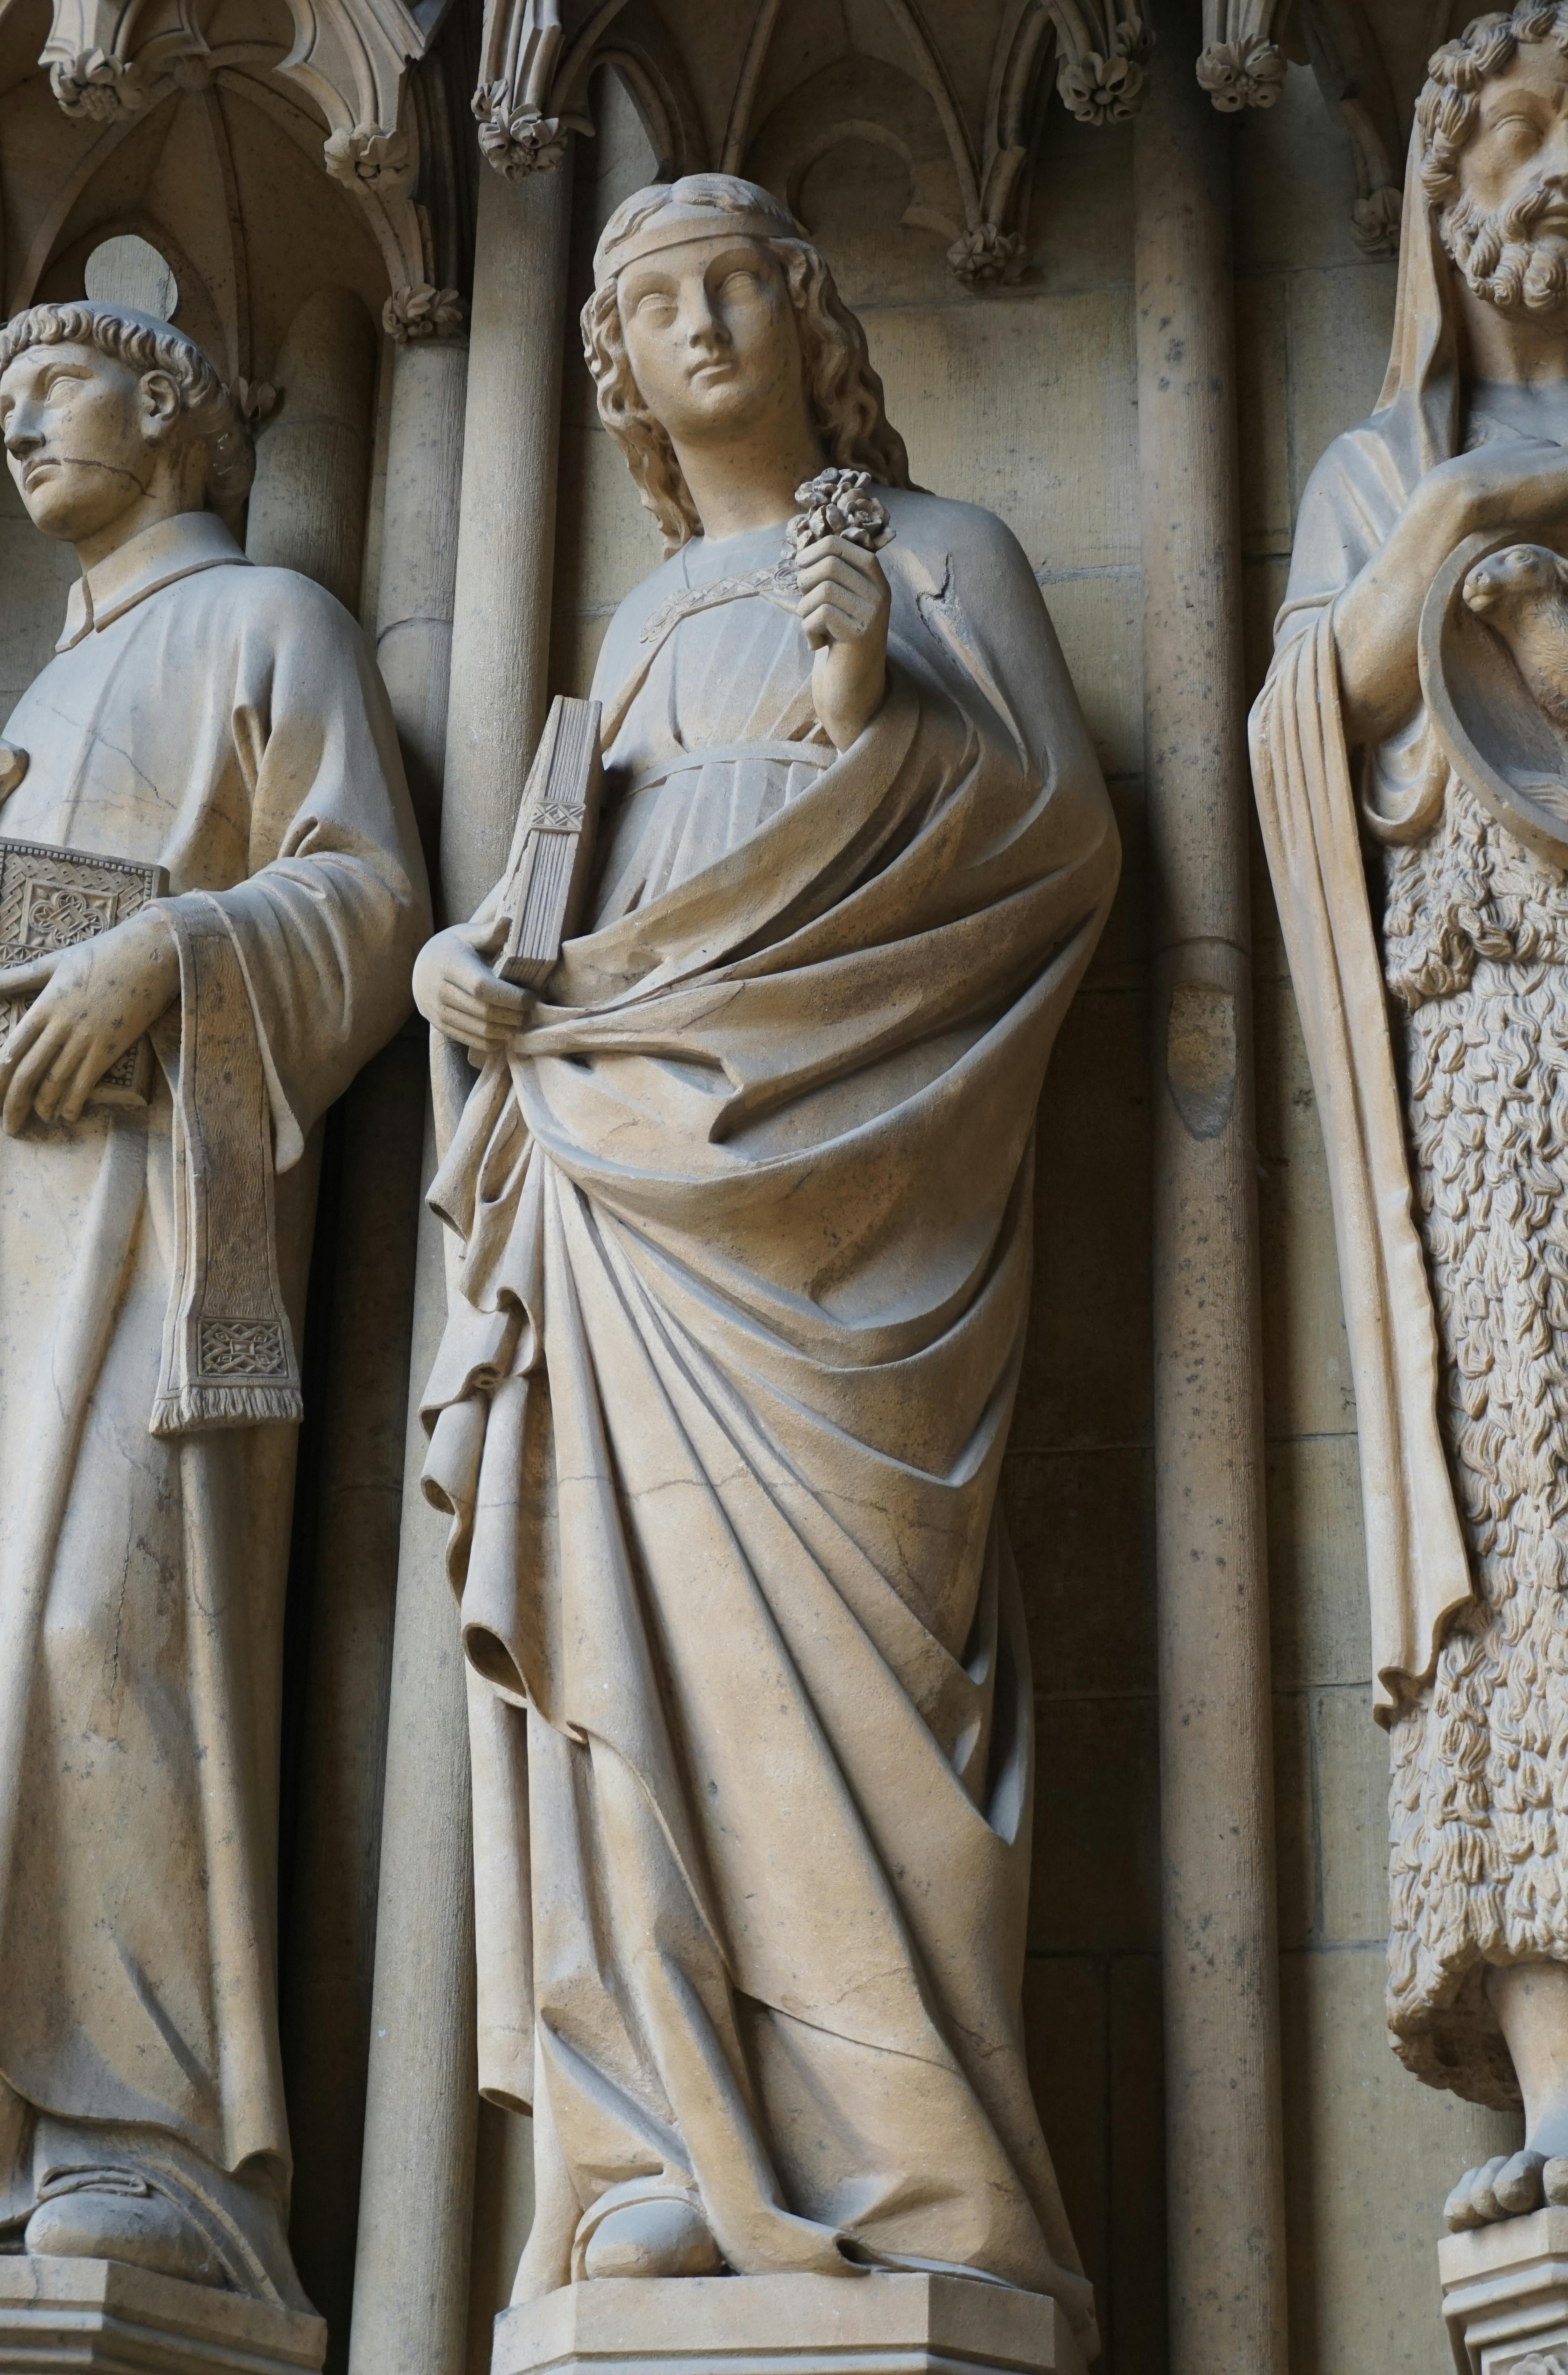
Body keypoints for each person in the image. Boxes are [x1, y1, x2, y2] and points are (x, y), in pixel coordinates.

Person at [414, 174, 1117, 2361]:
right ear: (608, 367)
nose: (700, 322)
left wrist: (869, 707)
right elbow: (570, 915)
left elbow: (1054, 850)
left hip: (844, 1222)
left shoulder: (945, 559)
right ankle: (654, 2151)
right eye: (648, 303)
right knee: (629, 1632)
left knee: (855, 1661)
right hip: (621, 1204)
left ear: (816, 324)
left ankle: (910, 2167)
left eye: (737, 283)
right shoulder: (625, 636)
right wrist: (475, 970)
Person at [0, 300, 428, 2298]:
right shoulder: (39, 680)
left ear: (165, 405)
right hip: (17, 1210)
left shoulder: (271, 620)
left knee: (106, 1618)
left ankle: (152, 2134)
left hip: (158, 1214)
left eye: (49, 385)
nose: (14, 425)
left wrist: (167, 952)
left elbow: (366, 898)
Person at [1252, 0, 1568, 2231]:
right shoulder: (1383, 473)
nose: (1562, 175)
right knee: (1537, 1544)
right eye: (1532, 137)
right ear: (1445, 199)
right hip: (1492, 1057)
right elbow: (1313, 713)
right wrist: (1474, 503)